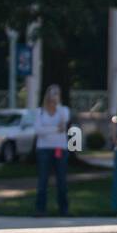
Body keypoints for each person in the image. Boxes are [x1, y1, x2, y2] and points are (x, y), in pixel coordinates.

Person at [34, 84, 71, 216]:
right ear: (47, 94)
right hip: (43, 149)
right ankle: (40, 209)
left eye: (57, 93)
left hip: (60, 148)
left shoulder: (64, 110)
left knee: (61, 181)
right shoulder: (40, 112)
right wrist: (55, 129)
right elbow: (38, 130)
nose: (54, 95)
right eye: (52, 92)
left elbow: (64, 122)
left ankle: (63, 209)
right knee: (43, 181)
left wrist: (58, 104)